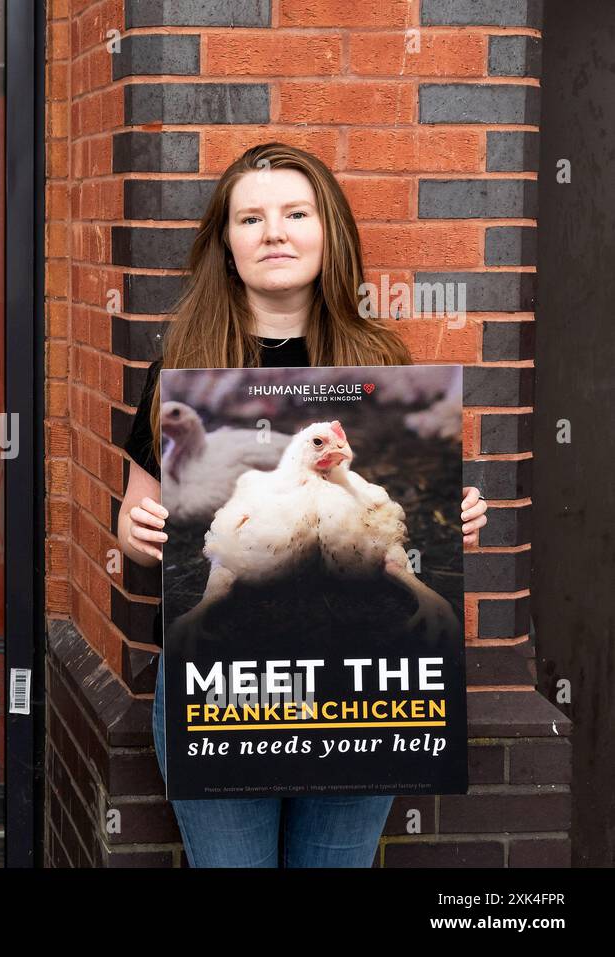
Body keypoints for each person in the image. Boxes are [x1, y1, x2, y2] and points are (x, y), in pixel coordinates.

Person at [115, 142, 490, 868]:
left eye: (295, 213)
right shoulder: (181, 370)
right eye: (250, 218)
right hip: (223, 687)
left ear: (328, 233)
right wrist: (138, 529)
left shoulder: (378, 362)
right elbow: (134, 528)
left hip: (358, 680)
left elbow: (391, 518)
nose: (274, 233)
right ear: (227, 244)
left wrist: (459, 516)